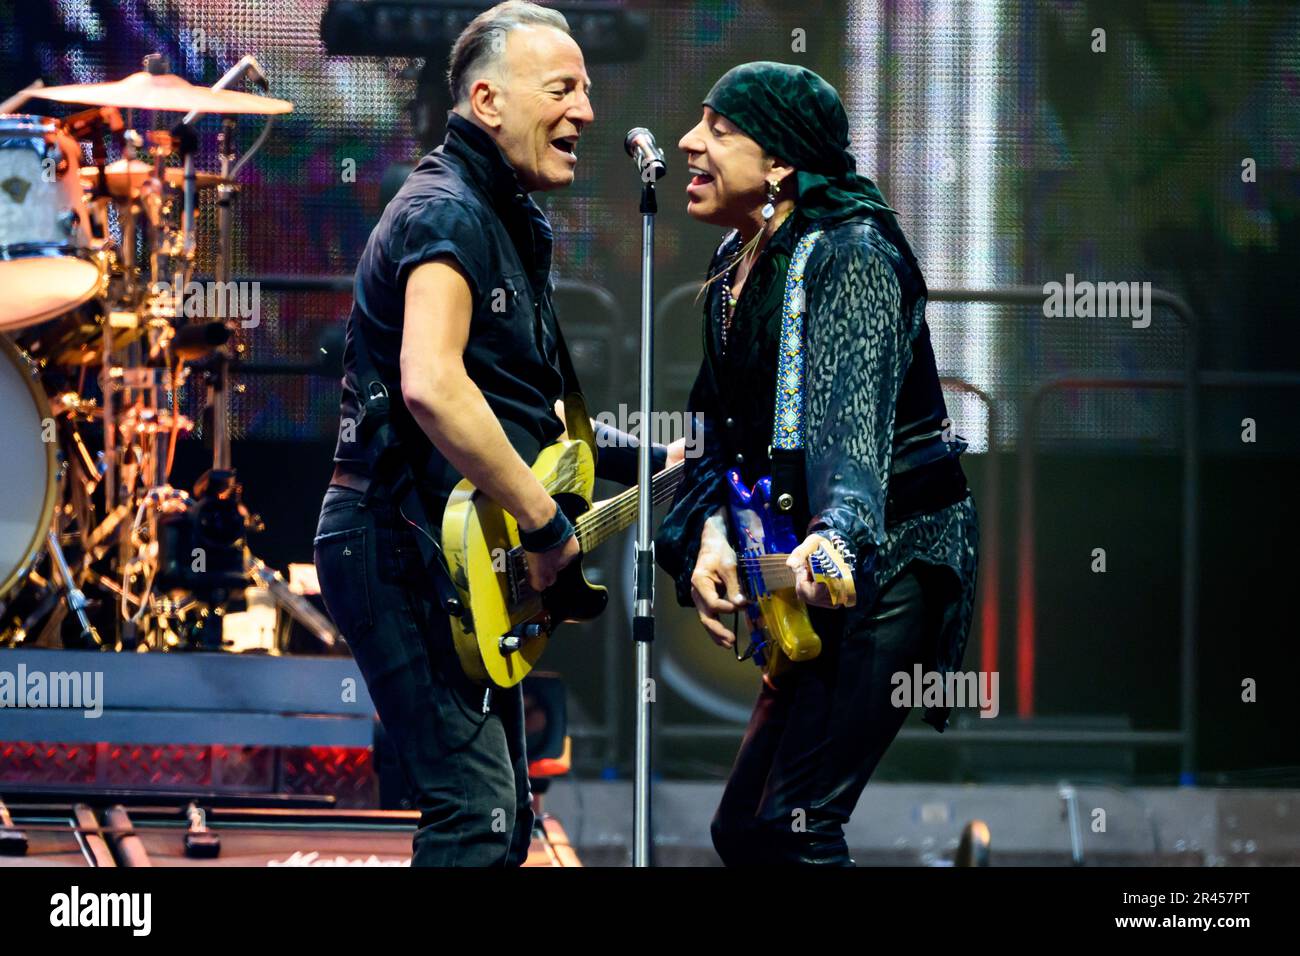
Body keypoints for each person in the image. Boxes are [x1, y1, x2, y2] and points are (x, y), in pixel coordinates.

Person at [314, 1, 666, 867]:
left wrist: (653, 463)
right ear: (487, 100)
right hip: (398, 544)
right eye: (563, 89)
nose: (587, 111)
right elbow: (432, 385)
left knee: (503, 822)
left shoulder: (503, 214)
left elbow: (520, 411)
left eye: (587, 90)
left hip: (451, 550)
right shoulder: (448, 211)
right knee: (473, 816)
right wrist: (547, 526)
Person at [655, 62, 980, 866]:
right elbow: (710, 434)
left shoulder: (854, 255)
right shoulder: (738, 263)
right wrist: (707, 535)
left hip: (893, 556)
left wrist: (836, 533)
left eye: (720, 129)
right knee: (746, 831)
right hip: (810, 568)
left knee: (795, 825)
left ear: (780, 164)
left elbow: (850, 433)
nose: (690, 143)